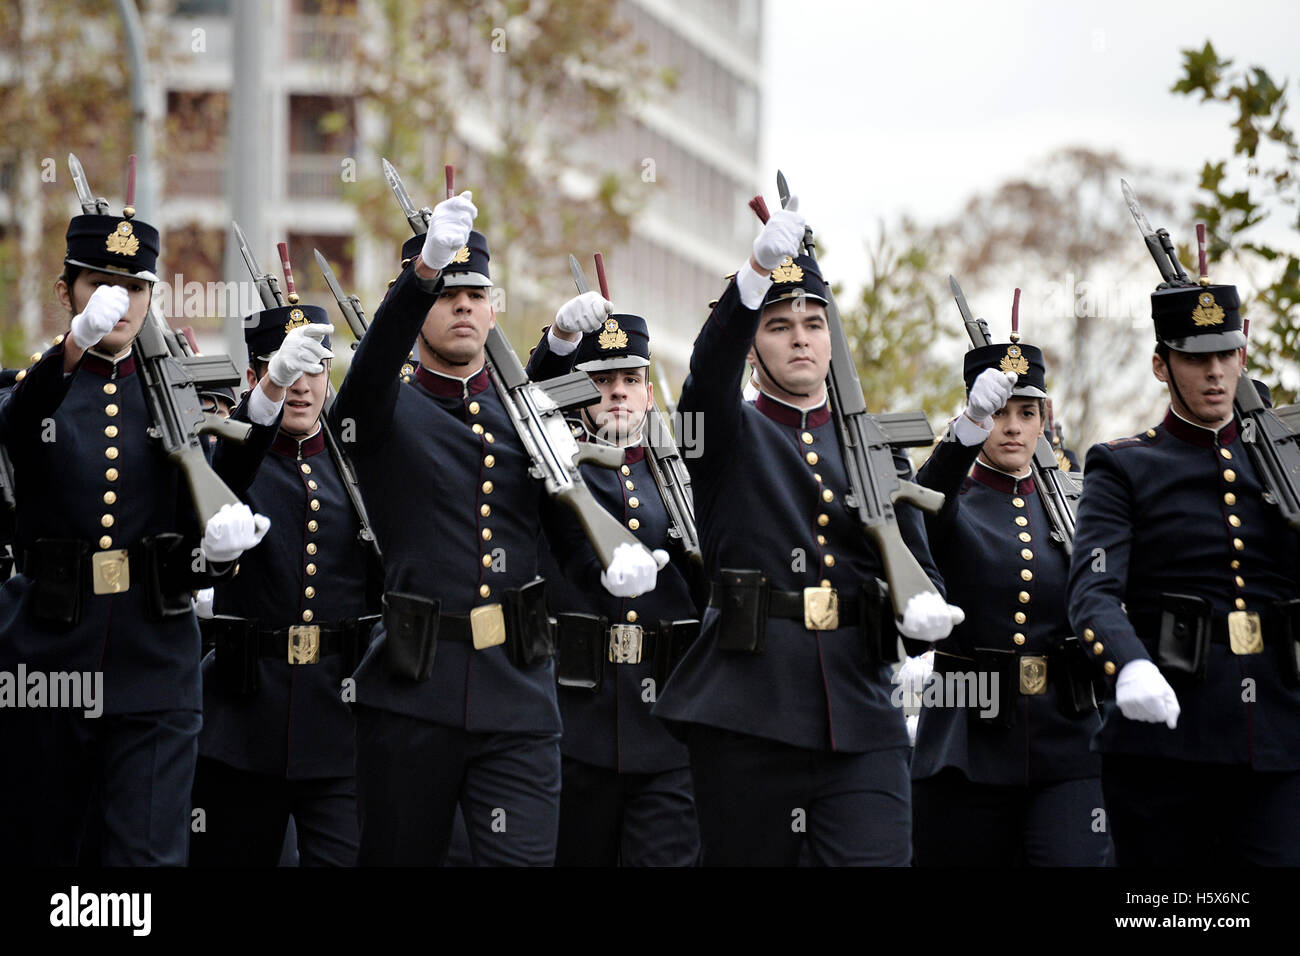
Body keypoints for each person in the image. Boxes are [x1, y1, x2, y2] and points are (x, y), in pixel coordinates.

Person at [333, 190, 664, 866]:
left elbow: (558, 523)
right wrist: (419, 273)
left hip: (516, 692)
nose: (461, 305)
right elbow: (363, 385)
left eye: (475, 292)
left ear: (492, 309)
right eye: (444, 293)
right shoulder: (386, 412)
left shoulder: (527, 414)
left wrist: (607, 565)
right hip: (412, 689)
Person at [653, 197, 961, 866]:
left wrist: (927, 608)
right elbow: (706, 381)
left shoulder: (878, 446)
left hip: (860, 710)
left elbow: (913, 569)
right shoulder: (728, 434)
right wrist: (753, 276)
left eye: (815, 323)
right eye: (779, 324)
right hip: (747, 712)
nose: (800, 337)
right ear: (755, 344)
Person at [0, 201, 270, 865]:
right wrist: (71, 349)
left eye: (137, 288)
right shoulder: (34, 391)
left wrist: (216, 557)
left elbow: (194, 524)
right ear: (67, 292)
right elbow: (19, 429)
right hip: (48, 659)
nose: (119, 302)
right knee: (45, 849)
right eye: (100, 285)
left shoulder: (176, 399)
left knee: (148, 859)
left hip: (155, 665)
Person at [1068, 272, 1300, 865]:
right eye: (1196, 358)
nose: (1216, 372)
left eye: (1227, 354)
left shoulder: (1283, 459)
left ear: (1244, 353)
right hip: (1168, 738)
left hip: (1277, 729)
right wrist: (1130, 665)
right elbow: (1093, 592)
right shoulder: (1122, 467)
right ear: (1160, 365)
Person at [905, 336, 1111, 866]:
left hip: (1066, 740)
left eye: (1027, 411)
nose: (1013, 426)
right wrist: (964, 432)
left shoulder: (1078, 505)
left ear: (1045, 417)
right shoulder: (955, 500)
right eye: (999, 413)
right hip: (966, 743)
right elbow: (919, 510)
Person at [190, 301, 381, 867]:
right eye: (284, 371)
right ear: (257, 378)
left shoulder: (354, 465)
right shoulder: (233, 459)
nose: (301, 386)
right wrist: (264, 402)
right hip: (242, 721)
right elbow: (220, 483)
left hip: (339, 722)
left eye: (315, 369)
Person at [526, 297, 701, 866]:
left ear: (650, 392)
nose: (618, 391)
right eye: (602, 380)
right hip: (577, 719)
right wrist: (556, 347)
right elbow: (529, 407)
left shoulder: (679, 477)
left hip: (667, 726)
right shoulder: (557, 470)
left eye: (631, 379)